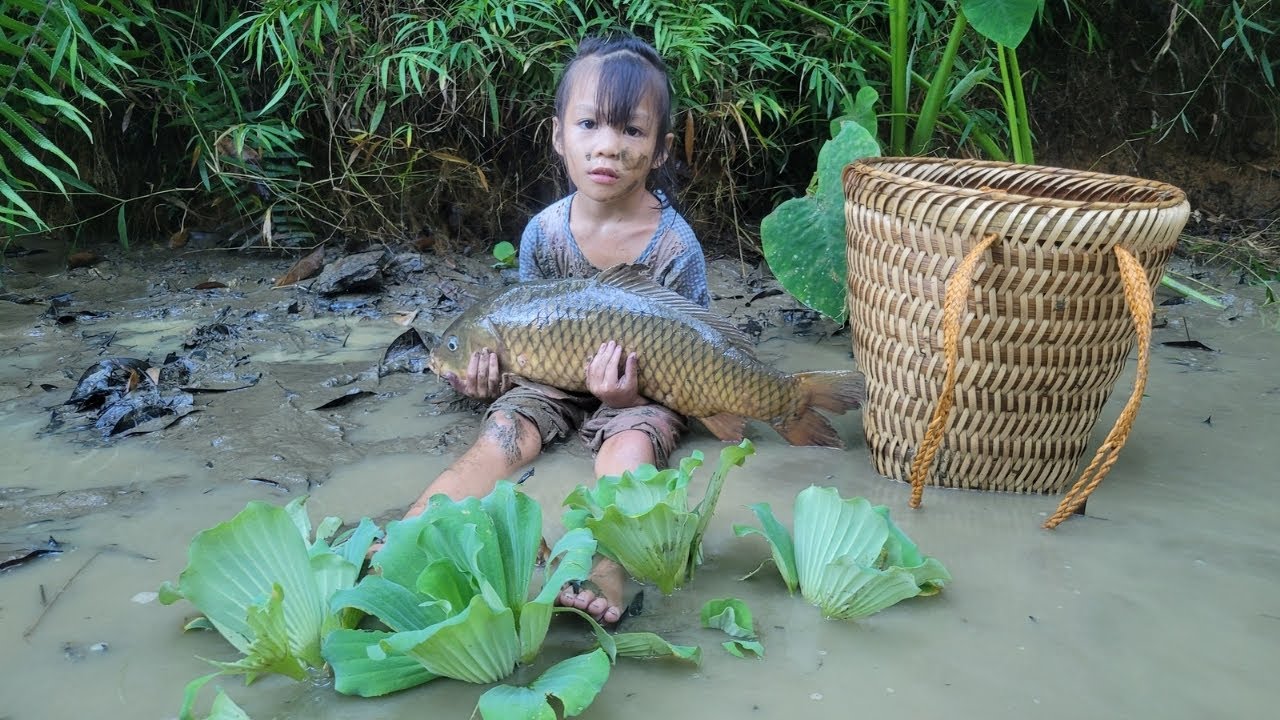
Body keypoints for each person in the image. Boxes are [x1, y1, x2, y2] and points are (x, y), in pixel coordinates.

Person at [402, 34, 710, 626]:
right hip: (550, 384)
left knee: (631, 445)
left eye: (632, 131)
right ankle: (414, 526)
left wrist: (626, 397)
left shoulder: (675, 244)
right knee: (501, 431)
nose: (608, 146)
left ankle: (606, 569)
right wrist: (489, 382)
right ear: (557, 135)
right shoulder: (544, 233)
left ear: (662, 148)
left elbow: (698, 354)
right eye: (589, 123)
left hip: (639, 388)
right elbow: (526, 348)